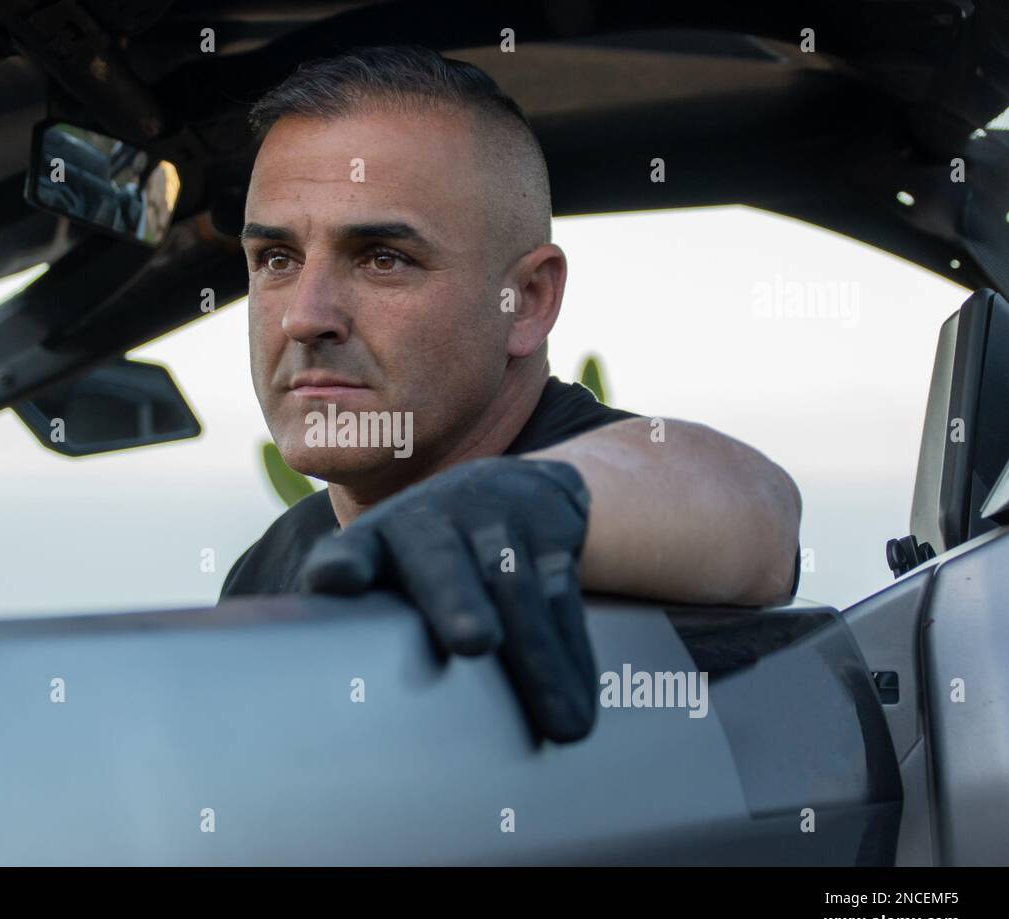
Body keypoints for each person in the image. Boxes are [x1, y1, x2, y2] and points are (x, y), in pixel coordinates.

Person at [221, 45, 802, 743]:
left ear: (525, 301)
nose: (304, 315)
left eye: (383, 258)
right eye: (277, 259)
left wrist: (529, 509)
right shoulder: (264, 571)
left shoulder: (578, 507)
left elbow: (754, 509)